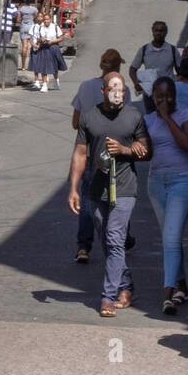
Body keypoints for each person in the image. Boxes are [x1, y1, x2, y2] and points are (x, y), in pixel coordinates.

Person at [67, 72, 150, 317]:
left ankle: (108, 297)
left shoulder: (134, 116)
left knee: (114, 238)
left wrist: (126, 149)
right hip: (96, 187)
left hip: (125, 188)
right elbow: (80, 154)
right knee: (106, 239)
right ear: (103, 91)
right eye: (113, 90)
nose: (118, 94)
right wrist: (73, 188)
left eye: (122, 90)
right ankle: (126, 285)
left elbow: (147, 150)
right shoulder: (90, 117)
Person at [145, 78, 188, 314]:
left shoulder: (186, 114)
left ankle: (168, 292)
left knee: (171, 236)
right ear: (153, 96)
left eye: (167, 96)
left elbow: (187, 143)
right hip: (156, 182)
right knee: (170, 238)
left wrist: (166, 117)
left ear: (175, 95)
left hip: (182, 180)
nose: (163, 100)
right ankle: (183, 286)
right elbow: (144, 151)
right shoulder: (147, 120)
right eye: (159, 96)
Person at [71, 49, 126, 264]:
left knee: (87, 198)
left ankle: (84, 246)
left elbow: (75, 122)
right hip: (114, 151)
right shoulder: (122, 89)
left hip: (89, 151)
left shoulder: (85, 87)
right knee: (119, 197)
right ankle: (121, 239)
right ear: (117, 68)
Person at [130, 21, 180, 109]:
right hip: (150, 95)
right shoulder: (144, 50)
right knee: (151, 120)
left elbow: (180, 71)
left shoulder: (172, 50)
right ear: (152, 31)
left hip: (168, 95)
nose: (158, 33)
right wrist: (136, 83)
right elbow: (132, 69)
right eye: (156, 30)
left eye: (161, 31)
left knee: (168, 118)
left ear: (166, 33)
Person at [29, 9, 67, 92]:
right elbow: (37, 39)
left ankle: (56, 81)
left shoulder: (55, 27)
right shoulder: (40, 28)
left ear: (50, 19)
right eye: (45, 19)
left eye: (48, 19)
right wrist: (40, 40)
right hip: (43, 48)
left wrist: (53, 41)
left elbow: (61, 38)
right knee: (43, 66)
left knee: (54, 66)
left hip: (53, 48)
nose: (46, 21)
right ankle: (44, 85)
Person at [17, 0, 39, 70]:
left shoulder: (21, 9)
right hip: (31, 27)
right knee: (33, 46)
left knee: (24, 46)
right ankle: (33, 65)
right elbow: (36, 17)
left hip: (23, 27)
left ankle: (23, 66)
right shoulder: (34, 9)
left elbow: (18, 19)